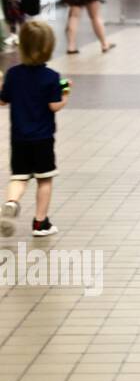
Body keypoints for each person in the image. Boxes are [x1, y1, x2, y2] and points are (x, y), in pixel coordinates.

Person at [0, 20, 67, 238]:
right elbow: (54, 106)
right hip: (43, 139)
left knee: (19, 177)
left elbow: (2, 101)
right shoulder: (52, 77)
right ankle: (40, 224)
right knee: (44, 179)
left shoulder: (13, 74)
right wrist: (65, 94)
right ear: (49, 47)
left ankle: (11, 202)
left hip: (19, 138)